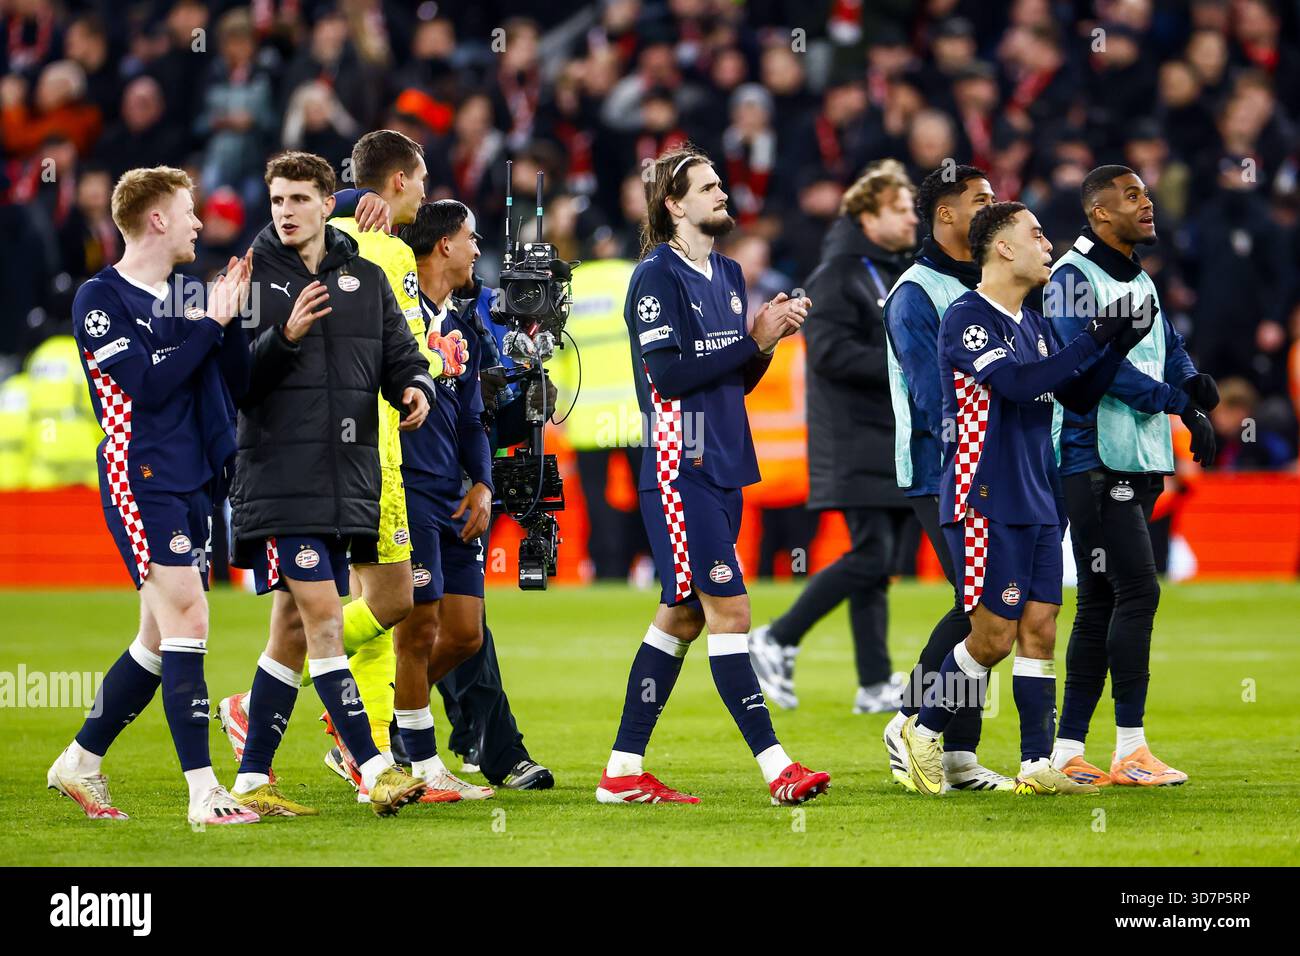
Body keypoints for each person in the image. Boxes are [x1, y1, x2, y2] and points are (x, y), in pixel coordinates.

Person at [598, 145, 830, 806]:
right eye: (708, 186)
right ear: (674, 204)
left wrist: (768, 340)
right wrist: (747, 340)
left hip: (725, 460)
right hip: (679, 464)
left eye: (722, 184)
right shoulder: (654, 277)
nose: (723, 194)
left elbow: (736, 373)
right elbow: (668, 375)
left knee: (681, 617)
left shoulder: (729, 272)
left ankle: (621, 770)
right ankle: (777, 767)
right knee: (730, 609)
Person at [895, 201, 1152, 797]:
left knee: (1040, 628)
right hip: (986, 493)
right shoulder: (968, 319)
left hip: (1036, 494)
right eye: (1036, 235)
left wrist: (1115, 345)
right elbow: (1017, 384)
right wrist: (1095, 331)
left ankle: (1038, 763)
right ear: (1003, 248)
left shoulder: (1032, 324)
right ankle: (921, 731)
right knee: (991, 636)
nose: (1048, 245)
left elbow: (1078, 394)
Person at [48, 165, 258, 826]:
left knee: (158, 639)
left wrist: (232, 327)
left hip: (192, 477)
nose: (200, 222)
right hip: (139, 476)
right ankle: (204, 792)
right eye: (189, 211)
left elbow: (234, 381)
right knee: (190, 619)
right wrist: (209, 323)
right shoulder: (99, 298)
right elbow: (145, 385)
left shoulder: (192, 292)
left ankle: (80, 761)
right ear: (157, 219)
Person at [225, 151, 434, 817]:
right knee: (321, 620)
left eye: (297, 200)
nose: (285, 212)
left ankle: (253, 778)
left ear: (327, 203)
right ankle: (374, 766)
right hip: (281, 477)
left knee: (289, 625)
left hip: (349, 479)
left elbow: (400, 353)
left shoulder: (363, 279)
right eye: (276, 200)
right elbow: (233, 383)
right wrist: (282, 338)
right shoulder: (253, 280)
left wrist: (415, 385)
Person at [1044, 165, 1217, 787]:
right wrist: (1178, 403)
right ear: (1098, 213)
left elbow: (1169, 343)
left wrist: (1193, 380)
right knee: (1138, 592)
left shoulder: (1138, 276)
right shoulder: (1069, 279)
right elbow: (1086, 369)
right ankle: (1131, 748)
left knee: (1100, 601)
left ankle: (1066, 753)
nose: (1148, 205)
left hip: (1138, 458)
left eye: (1146, 194)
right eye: (1132, 196)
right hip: (1092, 460)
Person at [748, 159, 918, 715]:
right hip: (852, 438)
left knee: (878, 561)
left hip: (887, 436)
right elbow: (827, 354)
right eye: (898, 208)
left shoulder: (890, 271)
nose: (911, 217)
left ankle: (872, 682)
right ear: (866, 215)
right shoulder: (837, 275)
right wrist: (907, 363)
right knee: (873, 555)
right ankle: (777, 637)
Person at [876, 164, 1013, 792]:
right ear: (945, 215)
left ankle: (957, 752)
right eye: (979, 199)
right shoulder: (915, 292)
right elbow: (933, 396)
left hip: (997, 466)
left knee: (986, 608)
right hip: (940, 470)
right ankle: (911, 720)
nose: (993, 206)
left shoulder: (993, 285)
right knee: (980, 607)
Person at [389, 199, 497, 801]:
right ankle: (422, 766)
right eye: (470, 237)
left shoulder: (464, 327)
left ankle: (373, 725)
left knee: (464, 634)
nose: (478, 249)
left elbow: (474, 417)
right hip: (404, 486)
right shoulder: (397, 316)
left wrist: (482, 483)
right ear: (444, 246)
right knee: (418, 626)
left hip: (453, 494)